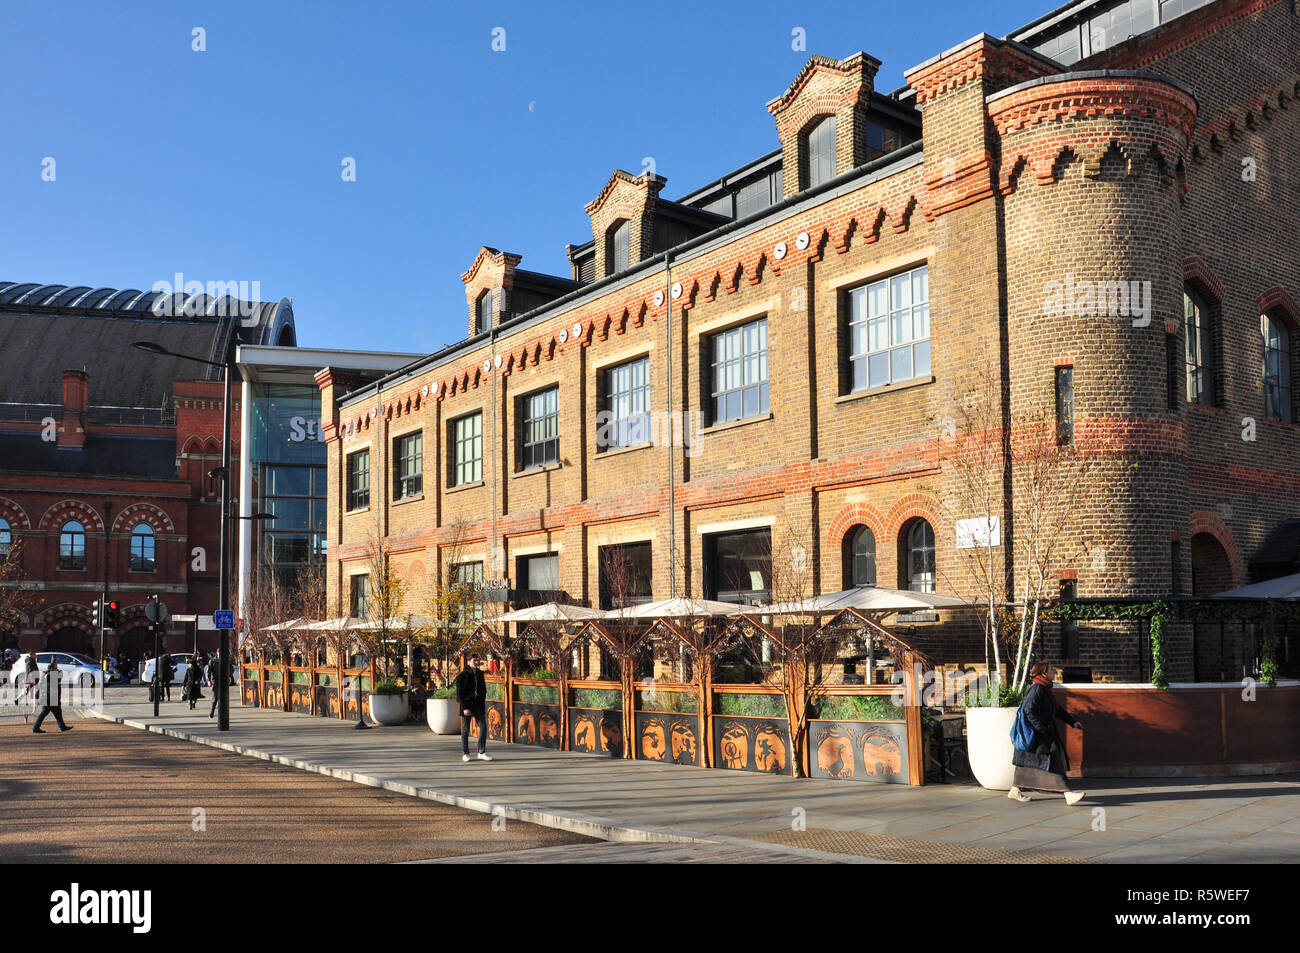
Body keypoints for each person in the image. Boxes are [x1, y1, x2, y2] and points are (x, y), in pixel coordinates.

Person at [1009, 661, 1086, 805]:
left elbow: (1057, 709)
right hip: (1039, 736)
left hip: (1042, 734)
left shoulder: (1044, 689)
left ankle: (1015, 789)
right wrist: (1042, 728)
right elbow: (1028, 710)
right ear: (1043, 673)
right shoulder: (1037, 689)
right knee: (1054, 762)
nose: (1054, 672)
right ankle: (1068, 794)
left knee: (1026, 764)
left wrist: (1072, 722)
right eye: (1051, 669)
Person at [455, 654, 492, 762]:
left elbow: (483, 689)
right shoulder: (463, 675)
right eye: (474, 660)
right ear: (469, 661)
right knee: (466, 729)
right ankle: (465, 753)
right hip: (467, 704)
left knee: (483, 726)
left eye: (478, 660)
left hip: (478, 705)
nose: (477, 662)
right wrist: (464, 707)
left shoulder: (480, 674)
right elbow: (459, 694)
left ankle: (481, 752)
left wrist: (482, 700)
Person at [32, 659, 73, 733]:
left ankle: (62, 726)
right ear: (51, 669)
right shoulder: (50, 676)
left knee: (56, 712)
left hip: (49, 698)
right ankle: (36, 727)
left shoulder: (48, 674)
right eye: (55, 667)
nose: (57, 669)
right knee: (49, 712)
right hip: (50, 698)